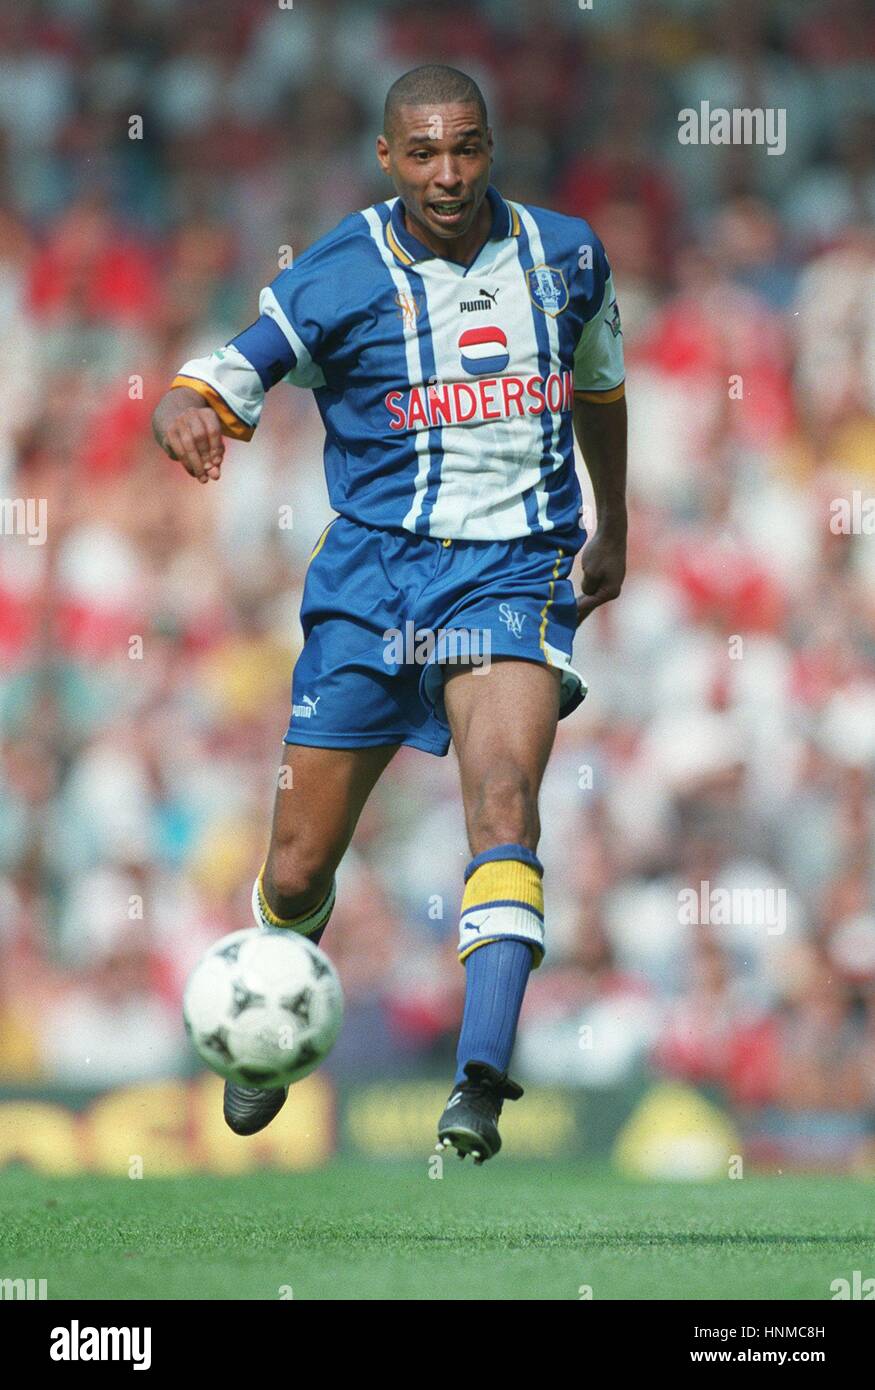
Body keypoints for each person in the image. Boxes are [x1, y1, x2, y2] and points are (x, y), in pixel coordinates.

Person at [152, 65, 627, 1162]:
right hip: (370, 591)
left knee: (503, 802)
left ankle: (478, 1082)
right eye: (422, 152)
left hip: (512, 573)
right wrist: (184, 409)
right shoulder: (336, 274)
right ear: (385, 157)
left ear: (492, 144)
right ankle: (270, 1012)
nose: (447, 173)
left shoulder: (565, 256)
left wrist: (613, 526)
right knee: (295, 870)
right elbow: (227, 372)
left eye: (466, 147)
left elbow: (599, 386)